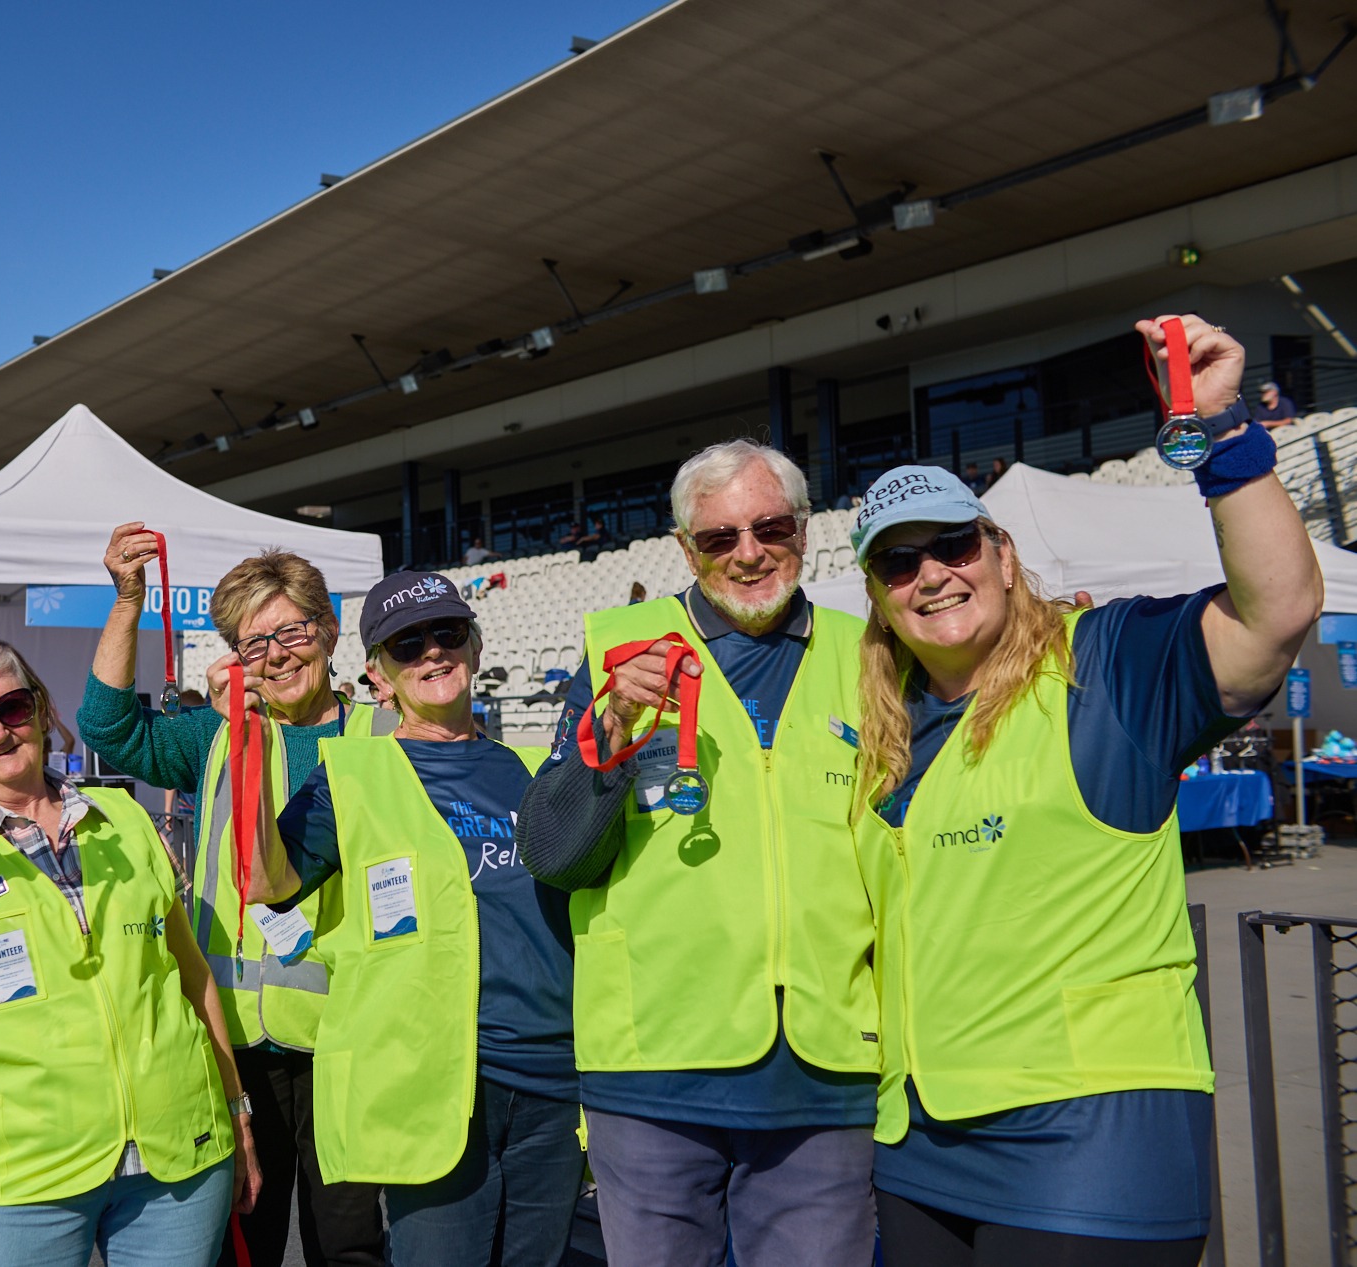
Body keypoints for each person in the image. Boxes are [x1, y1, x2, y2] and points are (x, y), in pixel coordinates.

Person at [847, 314, 1320, 1266]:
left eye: (954, 544)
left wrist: (1222, 428)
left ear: (1004, 554)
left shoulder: (1106, 667)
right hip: (918, 1140)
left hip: (1094, 1137)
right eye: (900, 559)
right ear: (878, 592)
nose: (933, 572)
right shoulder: (885, 732)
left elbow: (1277, 613)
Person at [517, 439, 878, 1267]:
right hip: (654, 1076)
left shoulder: (870, 656)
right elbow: (550, 851)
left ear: (805, 530)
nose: (749, 553)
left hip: (821, 1070)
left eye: (769, 528)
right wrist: (608, 736)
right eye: (719, 538)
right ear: (685, 548)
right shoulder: (621, 650)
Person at [0, 579, 258, 1266]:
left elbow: (193, 979)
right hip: (23, 1177)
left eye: (11, 707)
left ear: (41, 710)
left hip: (181, 1156)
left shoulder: (126, 819)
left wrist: (238, 1112)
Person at [246, 571, 581, 1267]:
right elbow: (269, 882)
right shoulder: (352, 773)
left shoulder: (530, 769)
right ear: (378, 671)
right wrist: (248, 751)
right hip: (435, 1083)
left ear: (476, 645)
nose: (432, 653)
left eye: (447, 633)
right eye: (407, 643)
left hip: (549, 1082)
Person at [77, 526, 388, 1267]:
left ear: (331, 629)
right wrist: (128, 600)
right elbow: (106, 725)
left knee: (350, 1246)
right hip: (239, 1051)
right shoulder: (214, 738)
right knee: (237, 1243)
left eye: (291, 631)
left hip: (353, 1041)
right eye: (255, 643)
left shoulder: (387, 737)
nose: (276, 654)